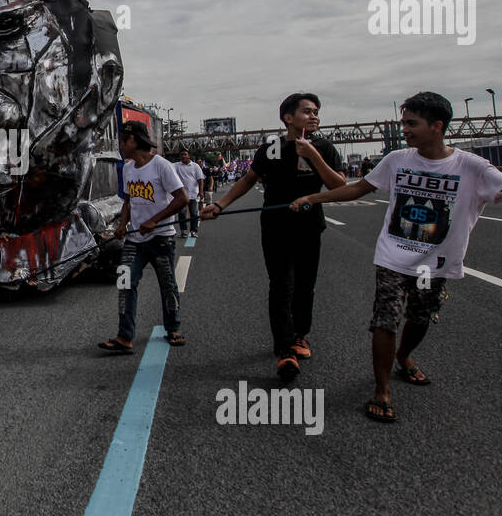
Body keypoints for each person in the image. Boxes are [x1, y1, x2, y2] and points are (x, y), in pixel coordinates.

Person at [291, 91, 502, 423]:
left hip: (435, 262)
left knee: (419, 318)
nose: (404, 130)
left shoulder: (471, 166)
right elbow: (360, 188)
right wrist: (313, 198)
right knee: (384, 319)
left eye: (411, 123)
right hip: (393, 255)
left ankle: (404, 357)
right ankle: (382, 390)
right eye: (402, 123)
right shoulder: (397, 159)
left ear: (437, 126)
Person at [201, 92, 344, 381]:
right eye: (307, 111)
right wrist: (219, 204)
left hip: (310, 227)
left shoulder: (324, 147)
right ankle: (285, 350)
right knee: (281, 287)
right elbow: (248, 179)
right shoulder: (272, 148)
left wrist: (313, 156)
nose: (314, 116)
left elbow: (338, 185)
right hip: (276, 228)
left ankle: (300, 335)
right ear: (288, 118)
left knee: (306, 287)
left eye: (316, 111)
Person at [99, 121, 188, 352]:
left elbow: (182, 198)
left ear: (134, 141)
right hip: (134, 241)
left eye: (123, 140)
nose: (120, 145)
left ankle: (173, 329)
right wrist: (123, 223)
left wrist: (154, 220)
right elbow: (128, 200)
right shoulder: (128, 169)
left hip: (161, 239)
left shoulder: (162, 166)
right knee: (125, 283)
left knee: (168, 286)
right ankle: (125, 337)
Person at [173, 148, 205, 236]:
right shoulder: (176, 165)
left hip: (193, 194)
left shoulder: (195, 166)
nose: (183, 156)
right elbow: (166, 167)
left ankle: (193, 231)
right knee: (182, 213)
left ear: (189, 155)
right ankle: (183, 231)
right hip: (181, 195)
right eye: (182, 154)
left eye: (185, 154)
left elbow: (200, 180)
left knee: (194, 213)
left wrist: (201, 191)